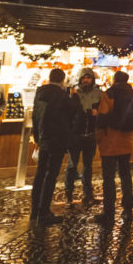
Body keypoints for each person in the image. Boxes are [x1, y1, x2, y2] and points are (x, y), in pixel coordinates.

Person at [94, 70, 133, 227]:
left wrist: (98, 136)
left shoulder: (109, 94)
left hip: (110, 141)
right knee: (125, 176)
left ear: (114, 80)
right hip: (126, 141)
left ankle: (109, 213)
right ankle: (128, 210)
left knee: (109, 179)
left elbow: (103, 116)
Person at [31, 67, 74, 226]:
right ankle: (44, 212)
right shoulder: (62, 95)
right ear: (62, 80)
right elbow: (73, 112)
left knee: (40, 173)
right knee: (51, 175)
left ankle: (35, 210)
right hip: (57, 140)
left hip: (43, 139)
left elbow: (35, 116)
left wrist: (37, 137)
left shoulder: (40, 93)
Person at [65, 67, 101, 205]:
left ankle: (88, 194)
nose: (86, 80)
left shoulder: (98, 94)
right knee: (72, 165)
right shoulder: (73, 93)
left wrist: (96, 114)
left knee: (88, 166)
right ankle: (68, 194)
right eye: (84, 77)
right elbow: (68, 112)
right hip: (76, 134)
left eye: (88, 77)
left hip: (90, 134)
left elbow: (102, 110)